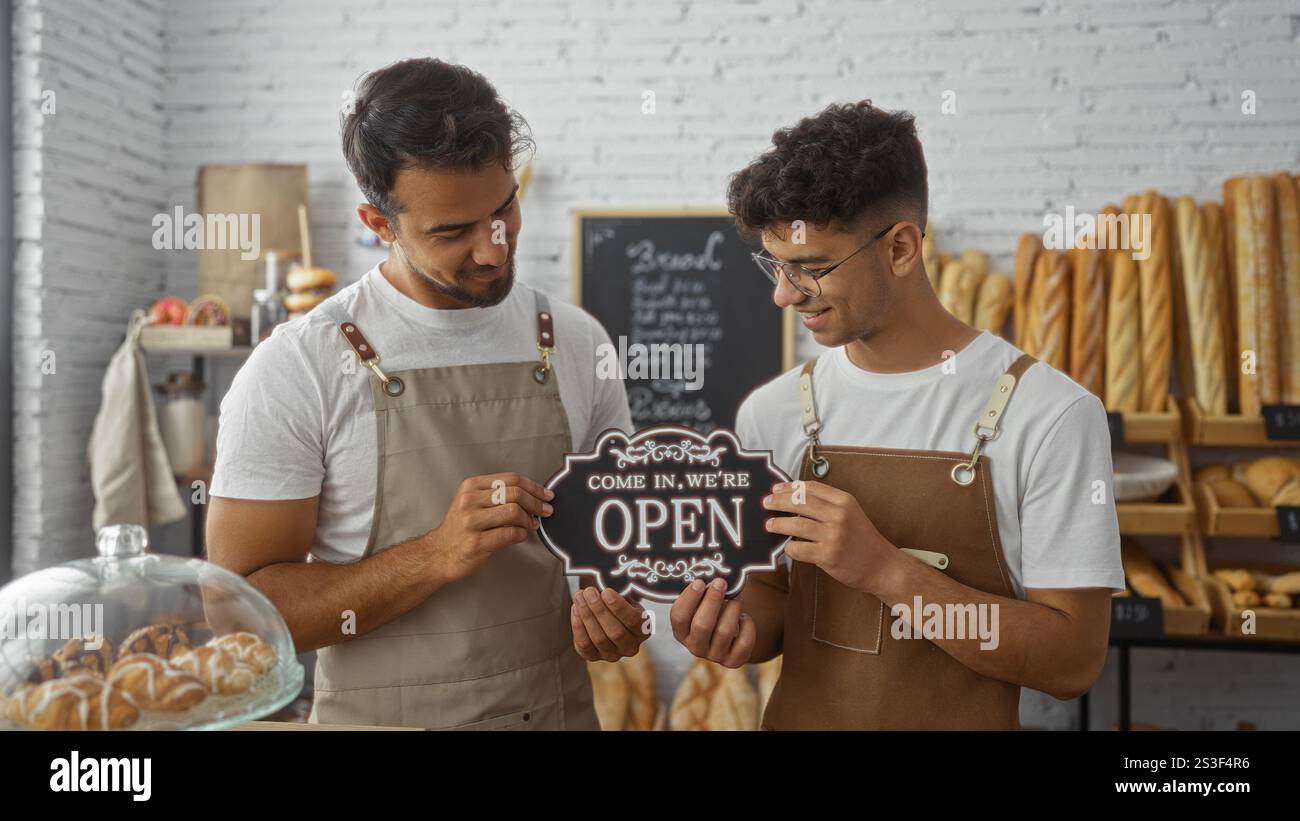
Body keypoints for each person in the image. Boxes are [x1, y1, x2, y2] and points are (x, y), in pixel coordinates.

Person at [207, 58, 644, 730]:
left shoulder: (579, 343)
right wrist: (435, 553)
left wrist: (612, 608)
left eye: (503, 211)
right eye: (451, 232)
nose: (493, 251)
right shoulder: (298, 365)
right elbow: (241, 613)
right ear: (378, 223)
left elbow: (616, 550)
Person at [671, 101, 1123, 728]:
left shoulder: (1050, 414)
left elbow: (1071, 661)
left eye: (811, 269)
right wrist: (735, 630)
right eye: (775, 266)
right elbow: (775, 600)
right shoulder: (770, 413)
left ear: (903, 249)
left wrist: (885, 570)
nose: (782, 294)